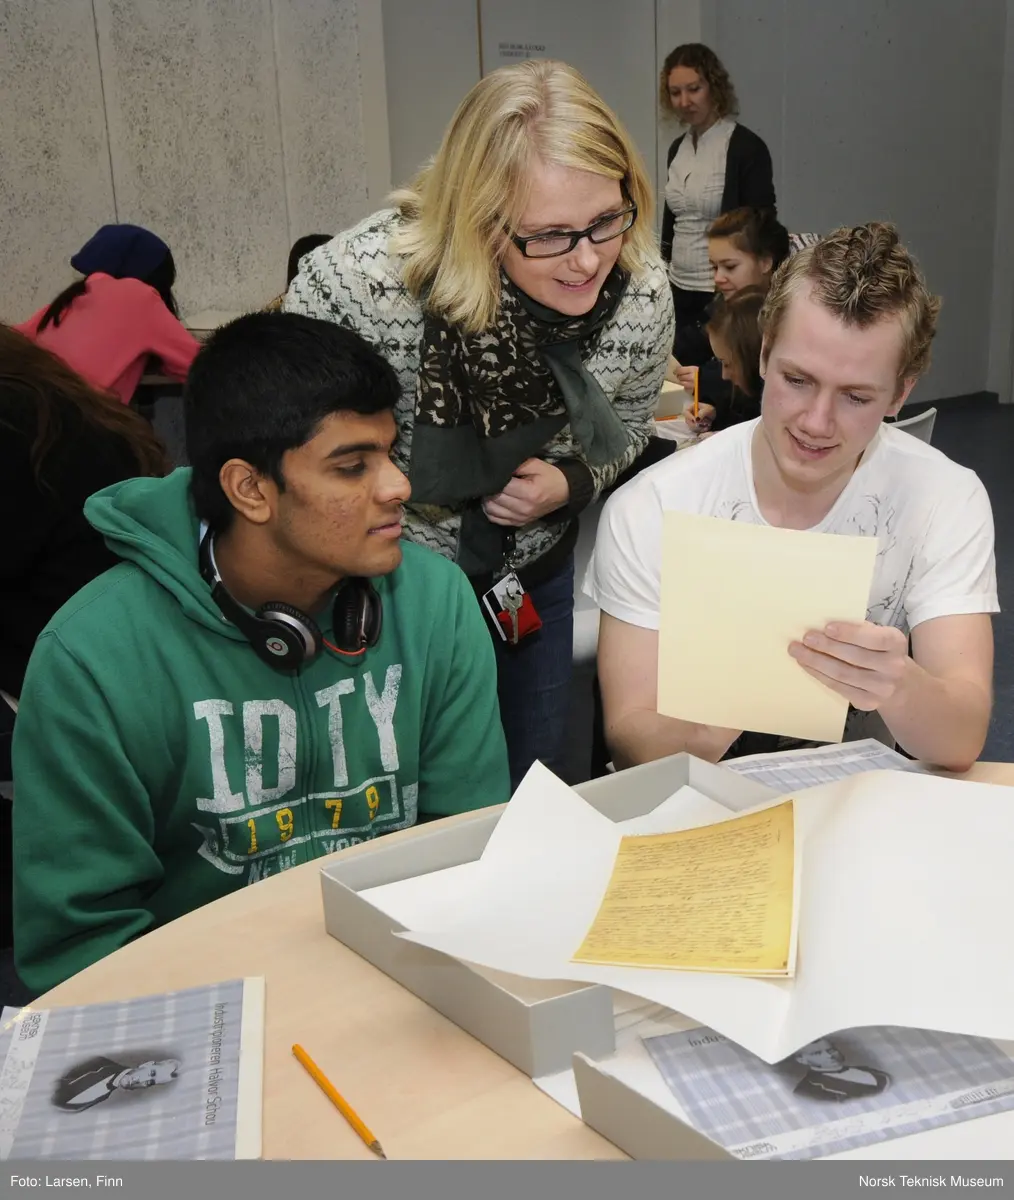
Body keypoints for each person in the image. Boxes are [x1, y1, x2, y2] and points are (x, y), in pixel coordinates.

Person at [12, 311, 510, 994]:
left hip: (395, 987)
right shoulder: (92, 657)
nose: (397, 486)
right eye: (351, 466)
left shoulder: (435, 600)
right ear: (249, 489)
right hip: (197, 1017)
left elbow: (466, 845)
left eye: (391, 453)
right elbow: (81, 947)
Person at [285, 60, 673, 788]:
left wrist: (568, 483)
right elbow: (288, 451)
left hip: (528, 574)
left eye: (605, 222)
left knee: (532, 781)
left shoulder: (642, 296)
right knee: (395, 790)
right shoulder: (360, 288)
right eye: (551, 236)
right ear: (479, 218)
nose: (588, 260)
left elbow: (626, 427)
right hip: (381, 580)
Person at [587, 222, 996, 773]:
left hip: (859, 810)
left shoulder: (945, 498)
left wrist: (900, 686)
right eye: (797, 380)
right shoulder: (653, 507)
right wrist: (717, 718)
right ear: (762, 355)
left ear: (901, 392)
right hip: (699, 817)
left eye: (856, 396)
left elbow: (961, 738)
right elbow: (630, 741)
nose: (817, 422)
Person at [660, 45, 775, 364]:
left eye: (694, 89)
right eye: (675, 92)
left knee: (717, 380)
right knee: (680, 378)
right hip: (677, 286)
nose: (685, 101)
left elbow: (764, 224)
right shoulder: (677, 149)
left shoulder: (745, 147)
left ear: (714, 87)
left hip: (723, 291)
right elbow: (671, 222)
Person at [15, 224, 200, 404]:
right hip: (76, 424)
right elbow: (199, 366)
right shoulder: (139, 297)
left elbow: (11, 340)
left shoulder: (70, 299)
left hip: (27, 412)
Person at [670, 206, 789, 372]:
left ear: (765, 263)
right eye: (714, 267)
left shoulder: (787, 320)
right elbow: (687, 346)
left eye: (730, 267)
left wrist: (706, 381)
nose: (718, 278)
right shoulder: (721, 305)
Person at [684, 285, 767, 434]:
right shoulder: (747, 395)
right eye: (720, 363)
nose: (724, 375)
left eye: (727, 364)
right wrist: (716, 415)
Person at [53, 1057, 181, 1112]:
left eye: (150, 1082)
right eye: (152, 1073)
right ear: (146, 1065)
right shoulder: (98, 1063)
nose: (142, 1081)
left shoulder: (104, 1097)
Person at [792, 1038, 890, 1102]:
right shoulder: (807, 1090)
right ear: (802, 1060)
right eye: (817, 1053)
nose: (829, 1056)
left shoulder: (865, 1069)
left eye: (830, 1050)